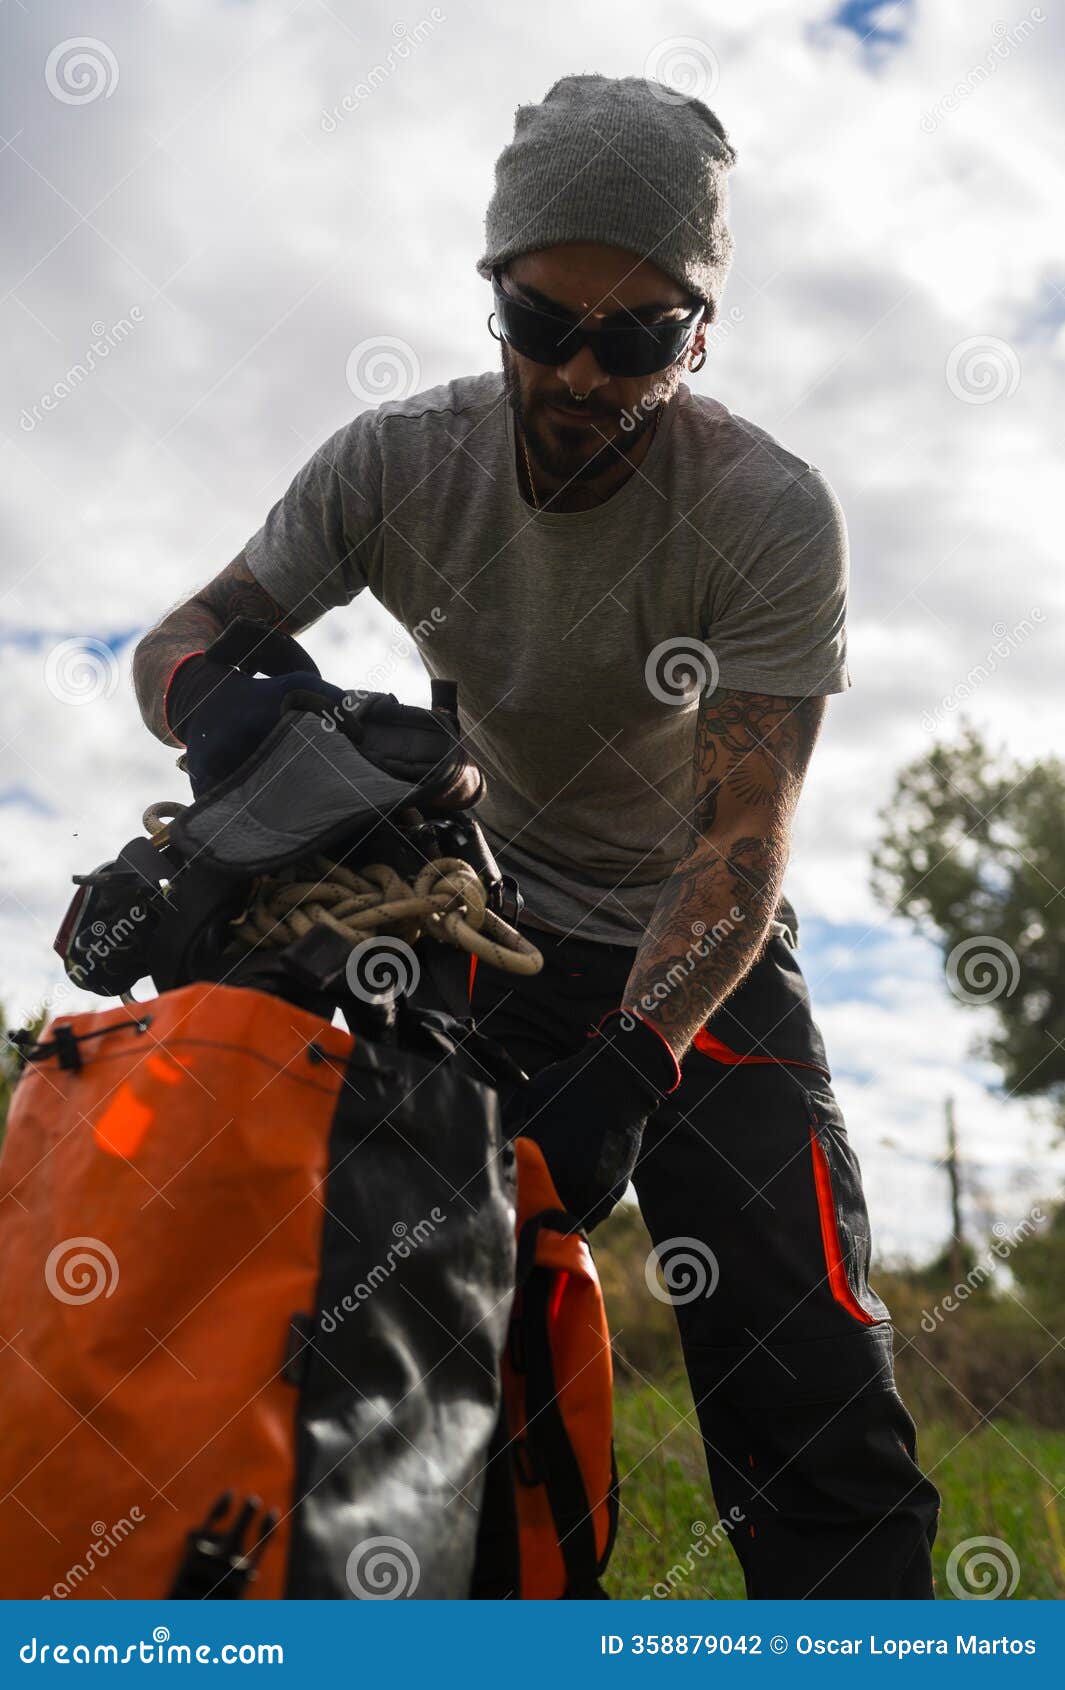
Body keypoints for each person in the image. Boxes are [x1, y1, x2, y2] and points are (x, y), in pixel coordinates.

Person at [132, 74, 940, 1598]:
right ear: (492, 293)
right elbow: (179, 633)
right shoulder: (392, 463)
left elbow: (742, 839)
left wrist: (634, 1066)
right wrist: (215, 707)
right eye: (538, 320)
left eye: (633, 338)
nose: (578, 370)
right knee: (425, 1353)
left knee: (803, 1368)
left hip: (700, 948)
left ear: (697, 334)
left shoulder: (769, 511)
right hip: (488, 925)